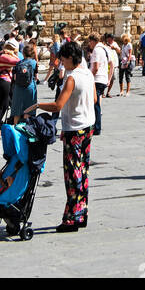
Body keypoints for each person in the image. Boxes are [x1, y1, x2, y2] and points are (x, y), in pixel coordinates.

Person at [24, 38, 95, 231]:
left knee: (72, 174)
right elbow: (95, 98)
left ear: (71, 58)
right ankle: (82, 213)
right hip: (87, 127)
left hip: (74, 129)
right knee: (83, 171)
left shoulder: (72, 78)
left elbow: (58, 105)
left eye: (63, 59)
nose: (61, 62)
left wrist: (38, 105)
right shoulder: (87, 74)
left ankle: (71, 219)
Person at [0, 38, 19, 132]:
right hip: (3, 82)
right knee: (1, 105)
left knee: (5, 105)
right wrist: (13, 55)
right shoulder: (4, 56)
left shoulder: (2, 55)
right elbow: (19, 62)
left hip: (4, 82)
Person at [9, 42, 38, 122]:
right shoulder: (34, 63)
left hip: (18, 88)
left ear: (23, 53)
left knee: (17, 111)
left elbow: (14, 78)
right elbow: (36, 77)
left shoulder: (18, 63)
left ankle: (15, 129)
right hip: (30, 87)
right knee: (28, 110)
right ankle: (26, 129)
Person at [89, 33, 110, 133]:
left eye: (90, 41)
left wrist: (89, 77)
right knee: (96, 103)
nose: (89, 44)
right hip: (103, 79)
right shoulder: (104, 49)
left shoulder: (97, 50)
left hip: (97, 79)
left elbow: (96, 67)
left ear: (94, 41)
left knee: (95, 103)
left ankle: (97, 127)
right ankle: (95, 125)